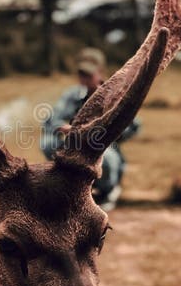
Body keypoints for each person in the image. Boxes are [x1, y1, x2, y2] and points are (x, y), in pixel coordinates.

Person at [41, 47, 139, 211]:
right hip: (75, 144)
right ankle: (69, 186)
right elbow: (52, 120)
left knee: (106, 158)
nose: (83, 78)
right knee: (48, 142)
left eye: (88, 74)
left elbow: (133, 126)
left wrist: (104, 134)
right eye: (81, 74)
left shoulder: (115, 95)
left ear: (100, 72)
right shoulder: (72, 95)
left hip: (103, 146)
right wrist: (64, 128)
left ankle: (107, 191)